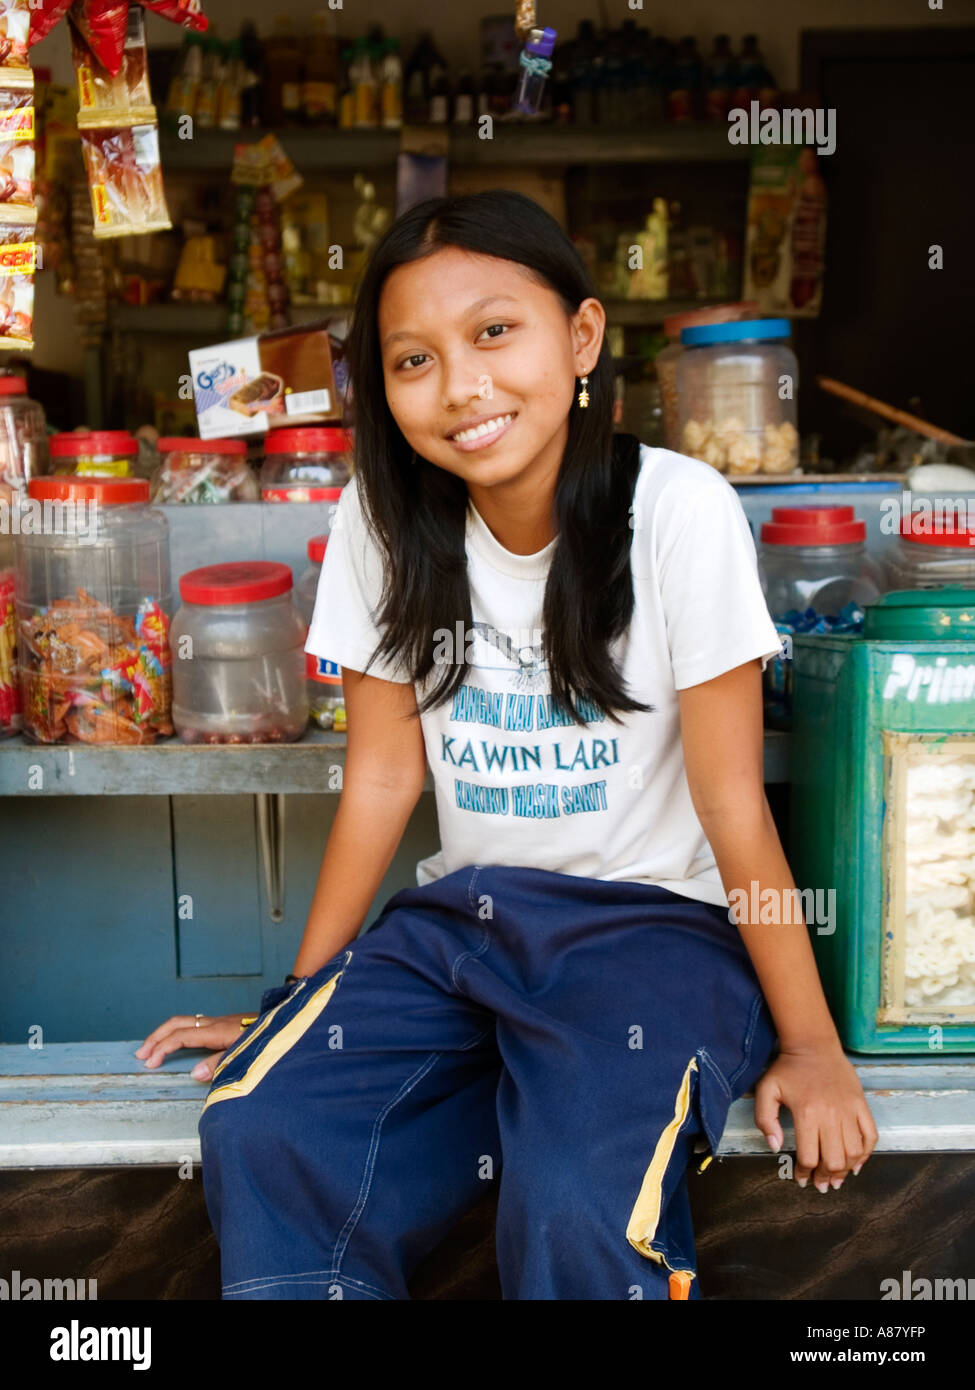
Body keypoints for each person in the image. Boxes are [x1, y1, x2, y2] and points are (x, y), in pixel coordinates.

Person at [136, 190, 878, 1301]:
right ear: (379, 390)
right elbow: (386, 775)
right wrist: (300, 1004)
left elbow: (733, 804)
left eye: (494, 332)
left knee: (579, 1199)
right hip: (461, 931)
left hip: (654, 938)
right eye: (413, 359)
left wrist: (812, 1044)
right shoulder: (385, 524)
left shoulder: (678, 511)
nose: (462, 386)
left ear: (580, 339)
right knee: (261, 1121)